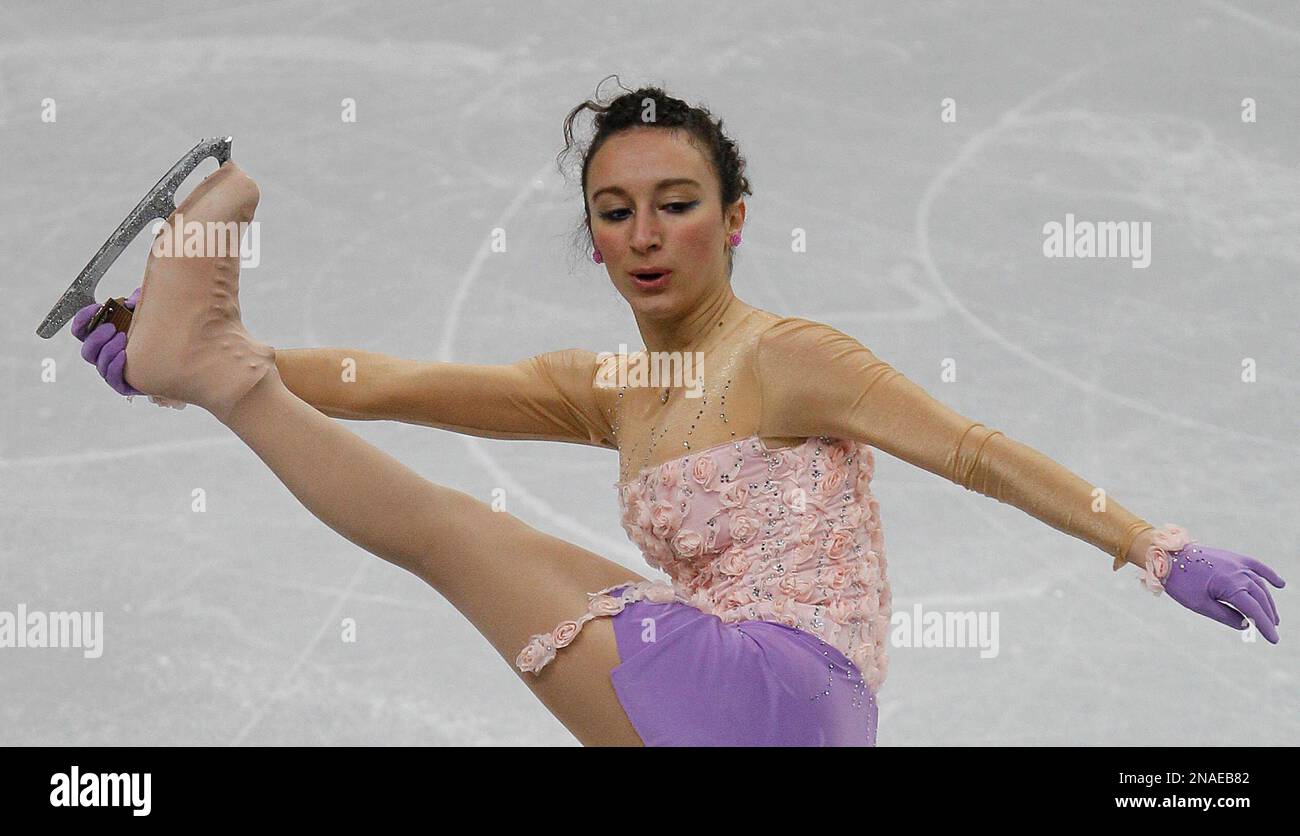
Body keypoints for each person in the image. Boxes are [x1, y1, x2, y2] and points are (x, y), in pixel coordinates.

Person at [71, 83, 1285, 747]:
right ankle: (215, 363)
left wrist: (1154, 546)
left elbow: (973, 452)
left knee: (448, 532)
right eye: (613, 210)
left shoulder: (788, 359)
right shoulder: (618, 390)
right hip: (742, 700)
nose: (644, 236)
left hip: (784, 694)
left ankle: (217, 368)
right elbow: (387, 383)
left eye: (675, 202)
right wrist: (182, 357)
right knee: (500, 539)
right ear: (592, 233)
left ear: (736, 216)